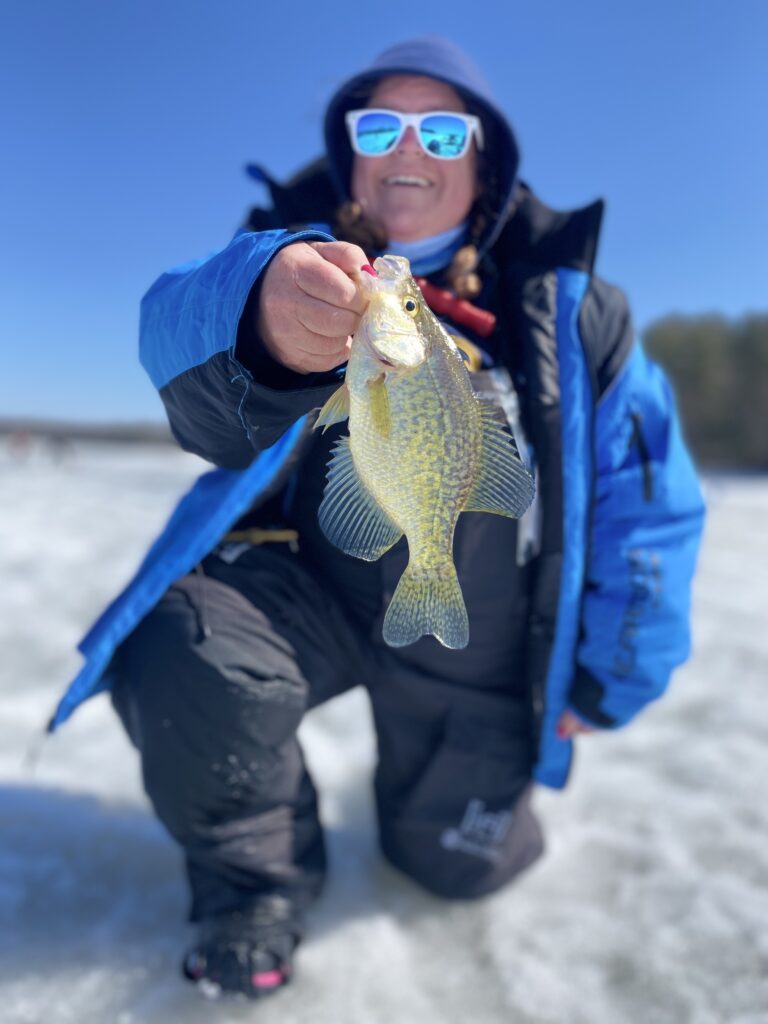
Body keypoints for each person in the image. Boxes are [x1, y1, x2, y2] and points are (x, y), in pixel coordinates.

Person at [51, 36, 705, 1000]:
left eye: (441, 130)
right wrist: (260, 316)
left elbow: (649, 508)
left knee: (459, 868)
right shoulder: (286, 256)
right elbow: (175, 339)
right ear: (348, 154)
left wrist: (617, 669)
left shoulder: (577, 314)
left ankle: (438, 807)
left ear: (484, 160)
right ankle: (257, 890)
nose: (408, 147)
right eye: (378, 126)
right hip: (313, 590)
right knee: (185, 652)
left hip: (481, 643)